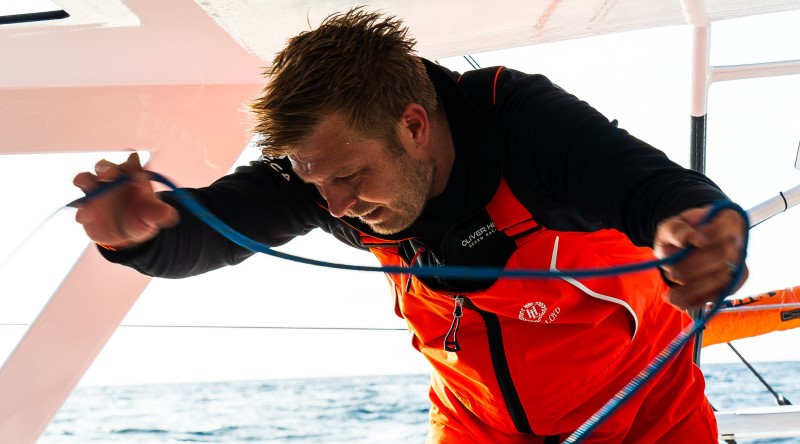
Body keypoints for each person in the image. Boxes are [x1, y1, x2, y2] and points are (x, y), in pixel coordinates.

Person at [73, 8, 748, 443]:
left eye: (349, 177)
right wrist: (133, 236)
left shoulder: (525, 128)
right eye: (315, 182)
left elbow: (655, 191)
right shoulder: (323, 177)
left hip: (644, 416)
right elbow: (209, 232)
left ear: (414, 126)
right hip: (475, 426)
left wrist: (697, 229)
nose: (334, 205)